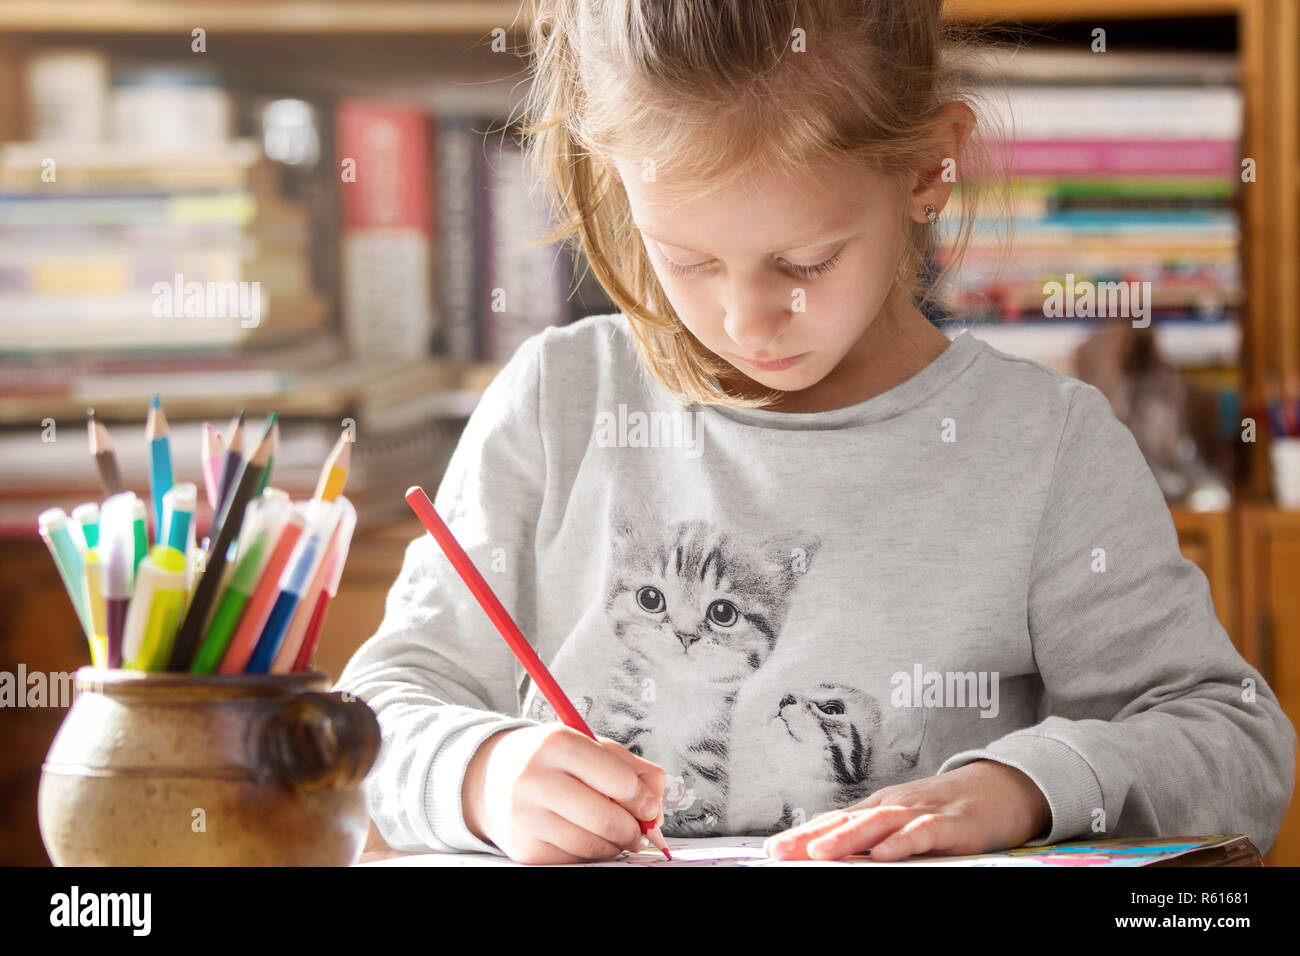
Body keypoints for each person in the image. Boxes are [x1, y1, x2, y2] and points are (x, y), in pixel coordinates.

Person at [336, 0, 1295, 865]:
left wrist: (1022, 789)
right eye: (688, 259)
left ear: (928, 168)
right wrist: (485, 775)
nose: (749, 321)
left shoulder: (1046, 448)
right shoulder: (558, 403)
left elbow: (1235, 739)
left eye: (805, 260)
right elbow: (372, 716)